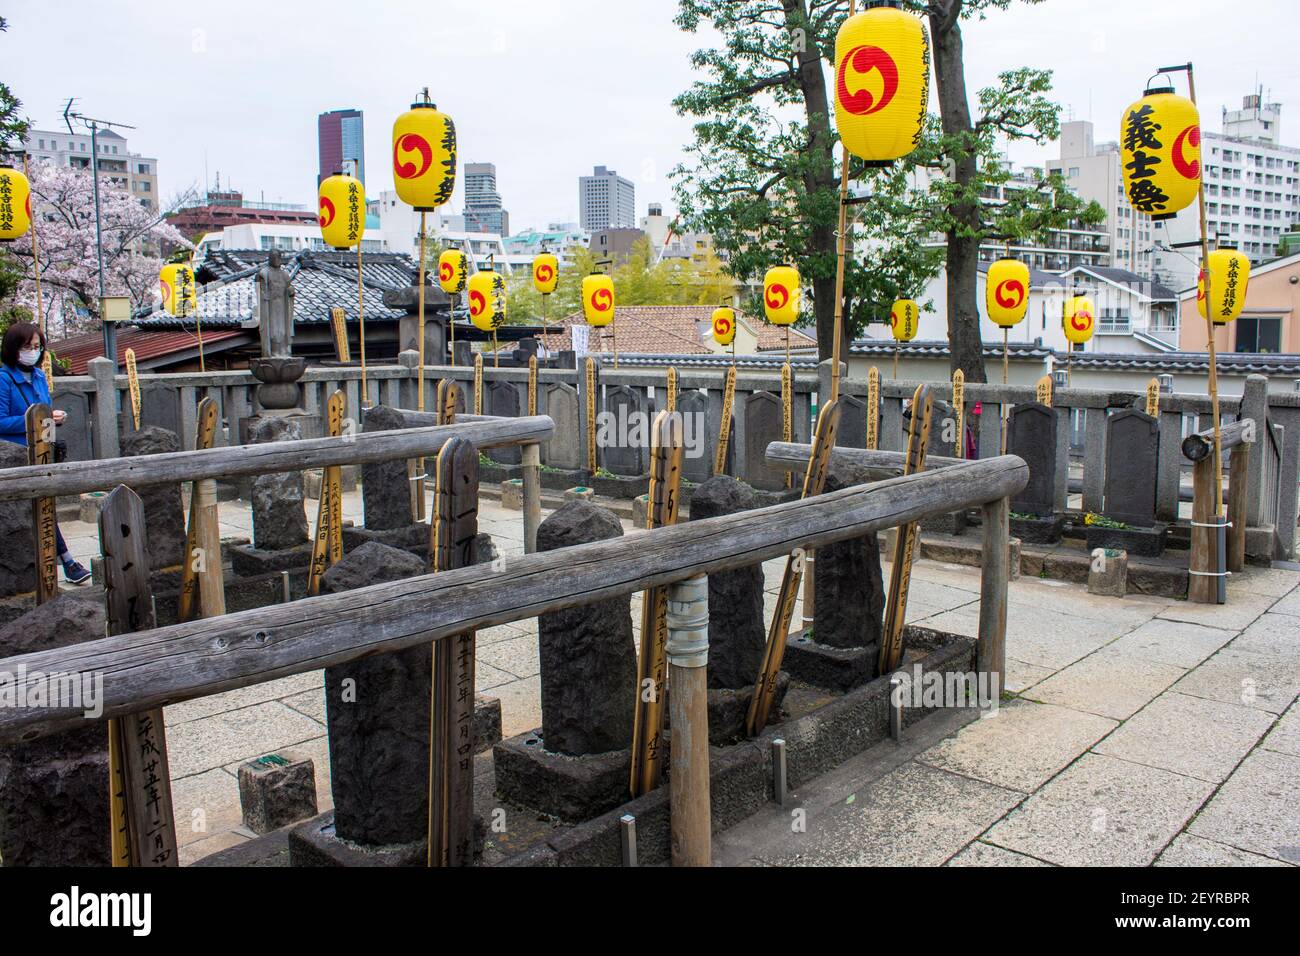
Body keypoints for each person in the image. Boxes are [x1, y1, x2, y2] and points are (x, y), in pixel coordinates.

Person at [0, 321, 91, 584]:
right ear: (14, 348)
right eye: (28, 347)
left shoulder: (39, 377)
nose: (33, 351)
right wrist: (36, 420)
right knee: (40, 508)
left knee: (45, 506)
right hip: (14, 454)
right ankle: (68, 561)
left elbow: (45, 416)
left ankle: (63, 562)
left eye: (38, 347)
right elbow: (2, 421)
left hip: (40, 451)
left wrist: (52, 429)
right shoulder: (4, 379)